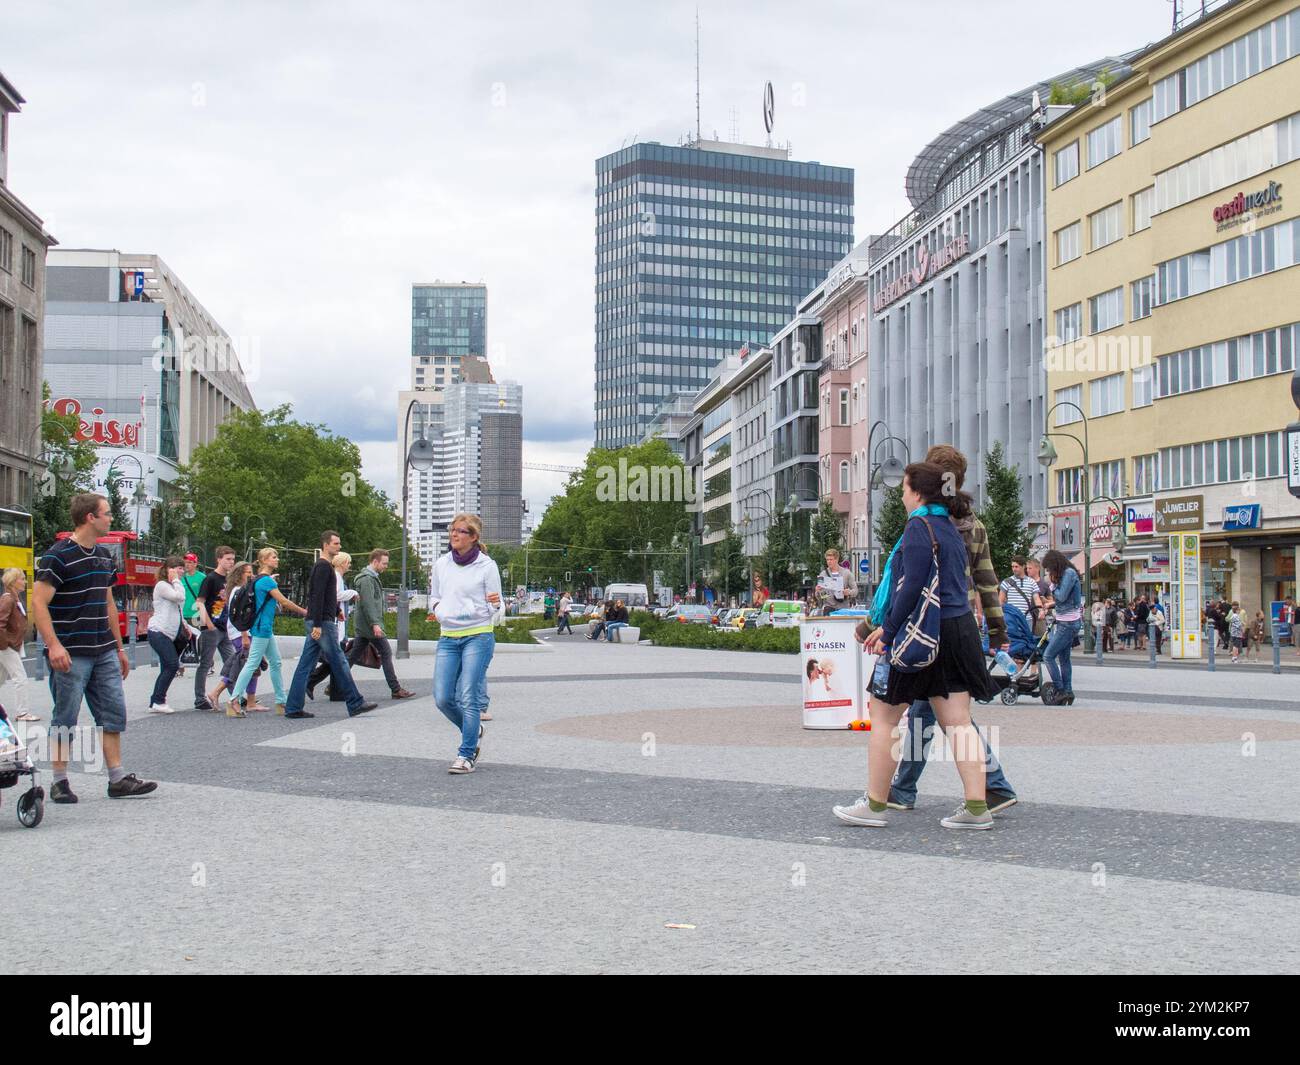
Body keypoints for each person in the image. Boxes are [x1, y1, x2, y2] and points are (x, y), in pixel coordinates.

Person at [832, 462, 999, 831]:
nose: (902, 495)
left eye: (905, 489)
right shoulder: (951, 528)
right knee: (957, 721)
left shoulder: (919, 528)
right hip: (958, 631)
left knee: (884, 716)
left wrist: (888, 631)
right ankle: (976, 806)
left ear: (918, 493)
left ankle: (875, 805)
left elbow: (910, 586)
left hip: (921, 635)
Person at [885, 444, 1016, 815]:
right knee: (938, 713)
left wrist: (880, 625)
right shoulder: (973, 526)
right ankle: (907, 788)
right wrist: (998, 632)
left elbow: (905, 585)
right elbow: (988, 583)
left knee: (947, 716)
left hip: (928, 630)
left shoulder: (925, 522)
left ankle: (990, 787)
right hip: (960, 629)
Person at [29, 493, 157, 802]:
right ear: (90, 517)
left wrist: (120, 647)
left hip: (103, 650)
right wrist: (53, 646)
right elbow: (38, 601)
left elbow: (108, 601)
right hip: (71, 652)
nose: (111, 518)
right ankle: (59, 780)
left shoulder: (103, 556)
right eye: (107, 513)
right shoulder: (58, 556)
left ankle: (117, 778)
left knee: (113, 712)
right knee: (65, 716)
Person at [429, 513, 502, 774]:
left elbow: (498, 604)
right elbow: (435, 596)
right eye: (452, 530)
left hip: (478, 635)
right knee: (443, 698)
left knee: (469, 696)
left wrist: (495, 604)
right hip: (448, 637)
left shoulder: (486, 566)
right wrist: (438, 610)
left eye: (460, 531)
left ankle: (466, 753)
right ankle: (473, 730)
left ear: (473, 537)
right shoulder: (441, 564)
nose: (454, 535)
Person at [284, 532, 378, 720]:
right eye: (336, 543)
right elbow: (317, 596)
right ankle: (355, 702)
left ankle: (293, 707)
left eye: (339, 543)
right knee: (339, 661)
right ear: (326, 545)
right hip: (322, 623)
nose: (339, 546)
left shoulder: (323, 567)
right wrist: (319, 623)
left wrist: (336, 610)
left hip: (321, 619)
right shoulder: (324, 567)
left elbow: (326, 595)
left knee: (306, 664)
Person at [228, 547, 308, 715]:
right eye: (273, 557)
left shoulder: (259, 579)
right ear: (264, 560)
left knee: (276, 662)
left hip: (263, 627)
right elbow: (284, 602)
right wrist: (305, 612)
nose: (277, 559)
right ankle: (234, 700)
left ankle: (281, 700)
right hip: (262, 628)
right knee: (252, 664)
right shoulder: (267, 581)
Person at [346, 549, 415, 700]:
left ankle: (333, 685)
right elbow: (368, 604)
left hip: (365, 626)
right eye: (384, 563)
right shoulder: (366, 579)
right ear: (375, 562)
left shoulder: (371, 578)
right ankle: (396, 689)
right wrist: (375, 624)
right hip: (369, 626)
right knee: (386, 652)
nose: (386, 566)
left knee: (352, 656)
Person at [208, 562, 266, 713]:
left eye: (251, 572)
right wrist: (245, 635)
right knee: (249, 665)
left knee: (246, 664)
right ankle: (247, 700)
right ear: (239, 574)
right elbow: (240, 614)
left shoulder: (237, 589)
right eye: (247, 572)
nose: (250, 574)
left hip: (240, 631)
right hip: (241, 632)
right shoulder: (238, 590)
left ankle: (218, 693)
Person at [145, 556, 199, 714]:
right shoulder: (162, 585)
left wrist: (185, 625)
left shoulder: (173, 585)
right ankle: (158, 701)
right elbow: (179, 597)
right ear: (168, 570)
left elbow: (178, 608)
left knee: (166, 667)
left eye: (182, 568)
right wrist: (176, 581)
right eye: (178, 568)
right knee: (172, 665)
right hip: (158, 631)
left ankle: (156, 700)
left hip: (170, 633)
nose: (181, 571)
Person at [306, 550, 360, 701]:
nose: (349, 566)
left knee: (335, 657)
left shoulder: (337, 576)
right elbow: (333, 596)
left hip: (335, 619)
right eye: (348, 563)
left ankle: (334, 690)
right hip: (332, 622)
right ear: (343, 563)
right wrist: (352, 592)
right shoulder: (336, 576)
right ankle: (345, 694)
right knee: (336, 658)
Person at [193, 546, 237, 709]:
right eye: (227, 559)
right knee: (205, 663)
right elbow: (199, 602)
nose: (231, 562)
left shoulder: (230, 580)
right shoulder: (211, 579)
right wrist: (209, 624)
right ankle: (199, 699)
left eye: (233, 559)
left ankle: (236, 695)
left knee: (232, 662)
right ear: (218, 559)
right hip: (212, 627)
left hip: (225, 627)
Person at [1041, 549, 1082, 704]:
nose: (1049, 572)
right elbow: (1062, 600)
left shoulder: (1069, 574)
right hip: (1066, 621)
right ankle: (1068, 691)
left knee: (1048, 655)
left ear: (1055, 565)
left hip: (1068, 623)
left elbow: (1062, 596)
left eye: (1050, 568)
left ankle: (1061, 689)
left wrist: (1051, 586)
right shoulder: (1067, 574)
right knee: (1064, 659)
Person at [0, 568, 37, 722]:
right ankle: (22, 713)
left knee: (0, 679)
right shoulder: (8, 599)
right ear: (13, 582)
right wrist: (5, 645)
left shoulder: (14, 599)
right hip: (6, 646)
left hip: (8, 645)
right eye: (22, 579)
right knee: (20, 678)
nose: (25, 581)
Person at [815, 548, 858, 612]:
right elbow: (820, 598)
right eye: (827, 560)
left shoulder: (846, 573)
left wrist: (848, 592)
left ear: (837, 559)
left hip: (843, 609)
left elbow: (855, 591)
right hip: (828, 608)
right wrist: (818, 591)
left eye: (831, 559)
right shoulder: (823, 574)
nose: (829, 562)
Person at [1025, 558, 1051, 637]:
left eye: (1030, 568)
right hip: (1026, 617)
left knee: (1041, 642)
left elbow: (1051, 602)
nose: (1027, 570)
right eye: (1027, 568)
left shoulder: (1044, 584)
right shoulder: (1024, 583)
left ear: (1037, 568)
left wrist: (1045, 602)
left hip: (1039, 619)